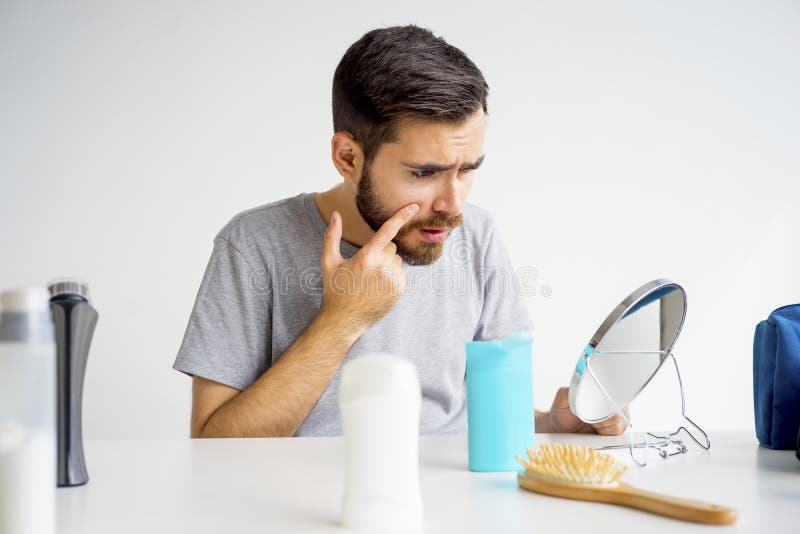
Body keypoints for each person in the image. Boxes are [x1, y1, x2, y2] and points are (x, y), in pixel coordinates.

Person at [173, 24, 629, 438]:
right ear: (348, 158)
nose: (453, 206)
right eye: (424, 173)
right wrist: (342, 320)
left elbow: (488, 417)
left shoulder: (478, 235)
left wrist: (554, 423)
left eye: (467, 169)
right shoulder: (254, 244)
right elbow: (214, 446)